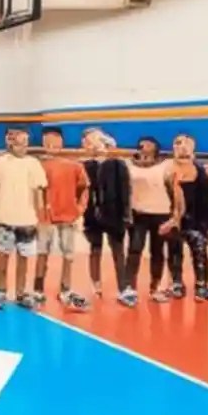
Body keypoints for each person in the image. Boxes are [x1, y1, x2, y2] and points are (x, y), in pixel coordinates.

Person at [0, 126, 47, 309]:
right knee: (3, 257)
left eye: (25, 143)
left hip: (27, 220)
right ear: (10, 143)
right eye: (18, 142)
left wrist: (40, 217)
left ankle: (21, 293)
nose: (22, 146)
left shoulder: (34, 163)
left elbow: (39, 192)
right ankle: (0, 291)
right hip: (5, 219)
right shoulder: (0, 162)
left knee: (24, 258)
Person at [37, 127, 91, 311]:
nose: (51, 144)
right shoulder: (37, 166)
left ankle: (66, 289)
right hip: (43, 218)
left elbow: (84, 188)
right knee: (42, 253)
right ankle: (38, 290)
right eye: (47, 141)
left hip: (67, 216)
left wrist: (80, 209)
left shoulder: (74, 166)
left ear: (61, 143)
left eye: (55, 140)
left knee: (68, 255)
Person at [81, 127, 132, 303]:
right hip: (92, 215)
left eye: (93, 140)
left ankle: (123, 287)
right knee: (95, 249)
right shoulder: (85, 165)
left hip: (114, 214)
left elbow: (125, 190)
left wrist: (126, 214)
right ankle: (96, 285)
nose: (90, 145)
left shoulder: (118, 164)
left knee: (118, 251)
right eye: (87, 142)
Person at [163, 134, 208, 301]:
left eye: (186, 144)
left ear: (193, 147)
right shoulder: (166, 169)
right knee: (175, 253)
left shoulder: (203, 170)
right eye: (178, 143)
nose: (182, 146)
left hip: (198, 219)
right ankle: (177, 284)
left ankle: (202, 286)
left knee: (200, 253)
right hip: (174, 218)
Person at [125, 136, 174, 304]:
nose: (144, 147)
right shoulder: (129, 165)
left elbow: (174, 190)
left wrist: (174, 217)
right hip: (138, 214)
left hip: (160, 213)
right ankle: (129, 288)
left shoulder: (166, 166)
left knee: (157, 252)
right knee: (134, 250)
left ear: (156, 148)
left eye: (149, 144)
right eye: (142, 145)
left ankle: (156, 287)